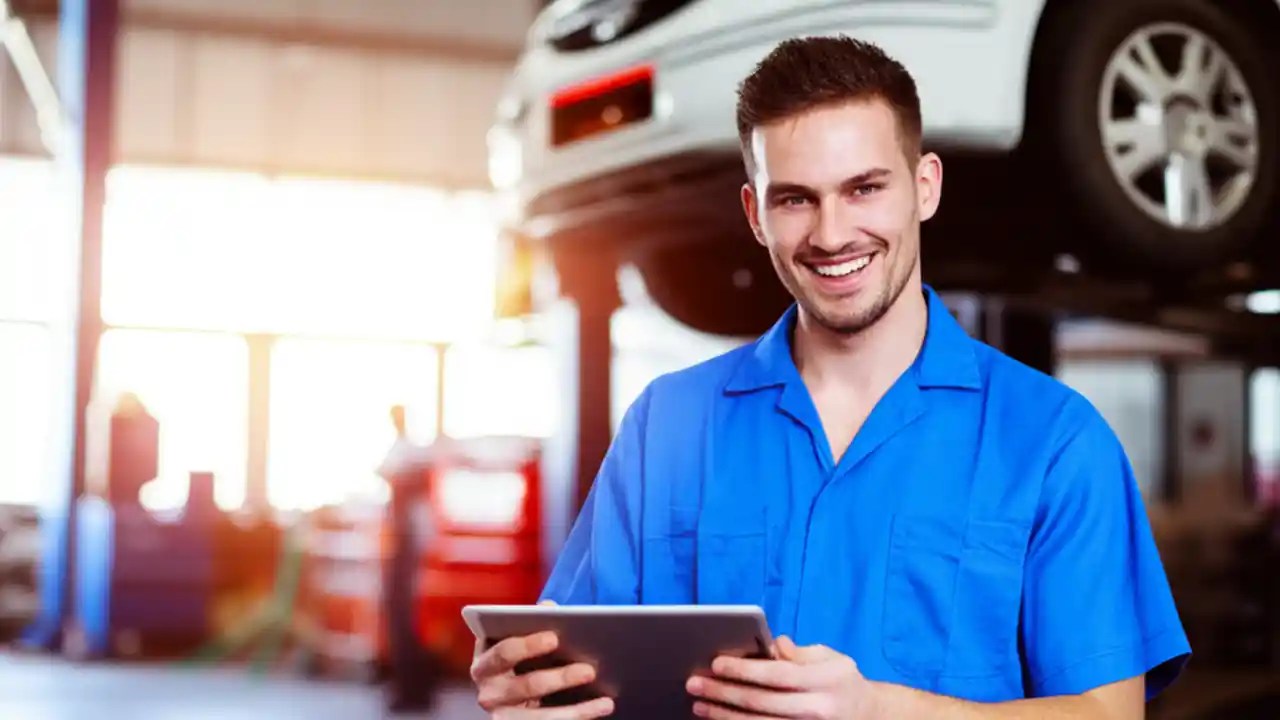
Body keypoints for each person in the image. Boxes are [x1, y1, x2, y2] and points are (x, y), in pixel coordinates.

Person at [470, 35, 1190, 719]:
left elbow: (1105, 711)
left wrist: (879, 709)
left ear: (924, 186)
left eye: (864, 188)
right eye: (795, 198)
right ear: (755, 214)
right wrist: (532, 690)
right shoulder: (667, 426)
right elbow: (580, 673)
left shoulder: (1054, 441)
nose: (832, 234)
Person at [377, 404, 439, 714]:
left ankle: (415, 689)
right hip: (401, 551)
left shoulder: (413, 458)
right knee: (399, 620)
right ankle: (408, 687)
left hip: (407, 554)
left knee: (406, 620)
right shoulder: (404, 453)